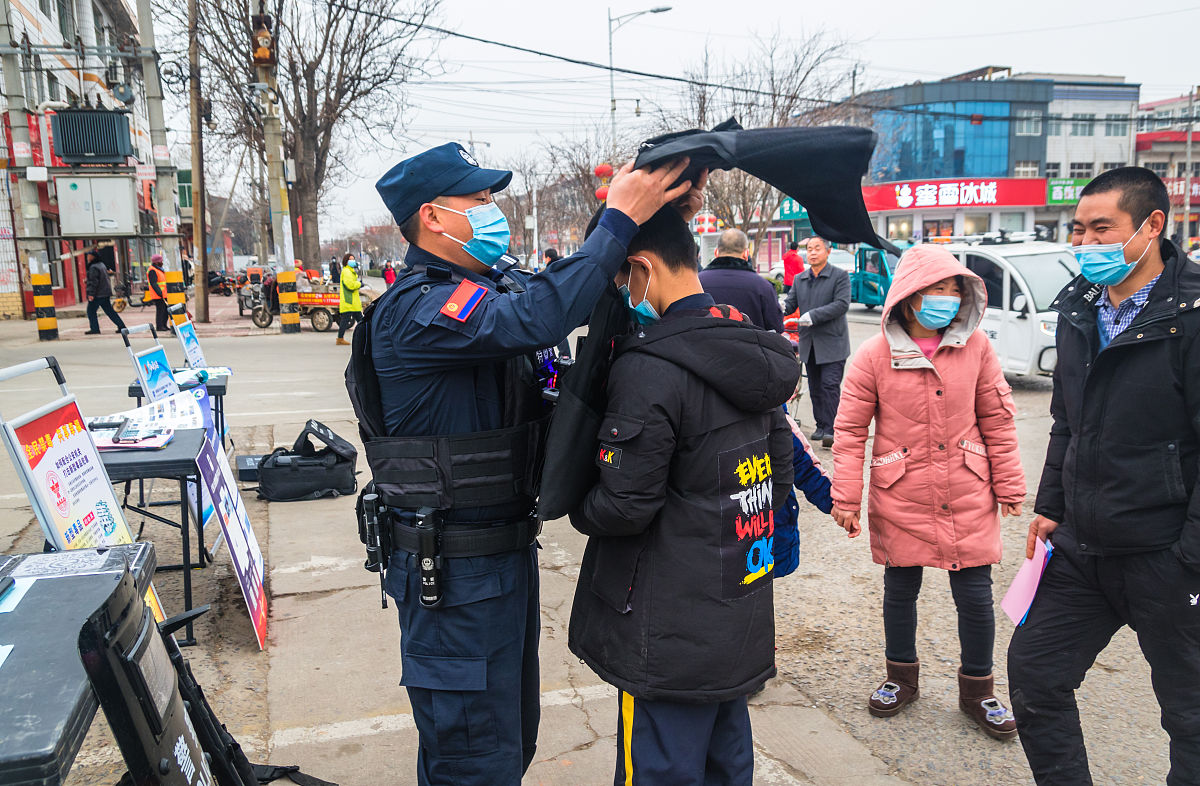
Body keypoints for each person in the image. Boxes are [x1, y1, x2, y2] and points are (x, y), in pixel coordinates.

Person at [355, 141, 698, 786]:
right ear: (432, 217)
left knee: (509, 744)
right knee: (473, 760)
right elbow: (537, 316)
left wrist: (626, 215)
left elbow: (556, 291)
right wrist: (618, 220)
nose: (492, 210)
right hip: (451, 576)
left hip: (502, 560)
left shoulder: (485, 288)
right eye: (478, 199)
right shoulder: (417, 311)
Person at [567, 205, 797, 786]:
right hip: (737, 608)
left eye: (621, 280)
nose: (622, 293)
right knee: (726, 762)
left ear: (641, 267)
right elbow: (779, 468)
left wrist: (576, 503)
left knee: (659, 768)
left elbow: (625, 505)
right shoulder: (751, 349)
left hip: (664, 627)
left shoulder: (651, 367)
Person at [1008, 167, 1200, 784]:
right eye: (1079, 230)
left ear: (1151, 227)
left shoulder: (1191, 314)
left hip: (1164, 555)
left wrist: (1188, 557)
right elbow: (1067, 420)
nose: (1086, 245)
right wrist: (1052, 505)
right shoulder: (1081, 309)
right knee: (1035, 677)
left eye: (1102, 229)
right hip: (1082, 548)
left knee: (1190, 715)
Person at [831, 245, 1025, 741]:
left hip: (967, 487)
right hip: (902, 492)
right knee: (900, 592)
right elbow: (851, 433)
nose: (946, 299)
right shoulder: (872, 356)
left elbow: (998, 421)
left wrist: (1008, 482)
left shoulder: (976, 346)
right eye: (937, 290)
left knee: (977, 597)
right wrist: (846, 499)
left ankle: (978, 689)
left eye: (954, 290)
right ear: (910, 296)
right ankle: (901, 679)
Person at [782, 236, 850, 447]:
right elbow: (790, 304)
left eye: (817, 248)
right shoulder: (801, 279)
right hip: (809, 343)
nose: (812, 252)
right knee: (816, 386)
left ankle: (831, 429)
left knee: (830, 386)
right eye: (809, 249)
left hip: (832, 343)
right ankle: (821, 425)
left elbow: (841, 304)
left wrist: (813, 316)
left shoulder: (839, 276)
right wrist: (775, 307)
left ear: (828, 251)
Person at [699, 228, 784, 332]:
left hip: (702, 347)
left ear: (716, 252)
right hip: (753, 347)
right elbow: (777, 327)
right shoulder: (763, 286)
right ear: (746, 253)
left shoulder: (698, 282)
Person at [84, 250, 126, 334]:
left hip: (98, 294)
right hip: (105, 292)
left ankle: (95, 329)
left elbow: (93, 282)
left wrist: (91, 294)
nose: (87, 257)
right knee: (110, 311)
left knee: (91, 311)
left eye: (89, 256)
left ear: (93, 257)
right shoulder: (101, 265)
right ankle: (122, 326)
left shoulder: (93, 267)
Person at [336, 253, 362, 345]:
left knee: (359, 320)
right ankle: (340, 339)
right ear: (346, 261)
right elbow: (350, 285)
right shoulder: (347, 271)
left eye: (353, 259)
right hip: (349, 301)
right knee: (355, 321)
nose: (352, 261)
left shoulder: (350, 271)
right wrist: (359, 284)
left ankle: (340, 338)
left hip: (352, 301)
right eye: (350, 259)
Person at [144, 253, 169, 331]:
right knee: (160, 311)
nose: (162, 262)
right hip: (158, 295)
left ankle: (164, 325)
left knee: (165, 311)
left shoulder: (159, 269)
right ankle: (160, 326)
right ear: (156, 262)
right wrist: (159, 292)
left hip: (163, 294)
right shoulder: (152, 270)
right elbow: (153, 283)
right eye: (161, 261)